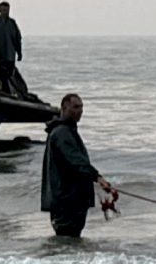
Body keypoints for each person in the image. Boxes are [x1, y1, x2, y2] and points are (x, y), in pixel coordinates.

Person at [40, 93, 117, 238]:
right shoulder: (62, 133)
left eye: (81, 107)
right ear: (64, 108)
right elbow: (77, 162)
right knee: (67, 239)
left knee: (69, 243)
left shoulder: (67, 130)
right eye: (75, 107)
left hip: (69, 200)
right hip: (66, 201)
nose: (80, 111)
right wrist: (98, 178)